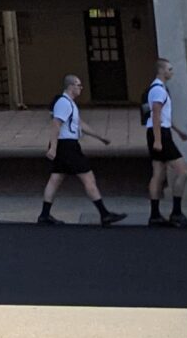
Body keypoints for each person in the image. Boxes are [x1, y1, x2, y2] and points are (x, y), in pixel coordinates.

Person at [38, 75, 126, 225]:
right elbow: (56, 125)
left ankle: (44, 215)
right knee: (88, 177)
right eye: (78, 85)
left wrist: (99, 137)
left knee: (56, 179)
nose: (81, 88)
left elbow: (80, 124)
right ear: (70, 86)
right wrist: (53, 147)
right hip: (67, 146)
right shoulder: (64, 103)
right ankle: (104, 214)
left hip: (66, 145)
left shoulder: (70, 104)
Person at [142, 59, 187, 228]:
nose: (172, 72)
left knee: (159, 172)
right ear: (161, 71)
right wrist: (158, 140)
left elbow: (163, 116)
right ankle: (176, 212)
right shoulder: (158, 90)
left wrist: (178, 131)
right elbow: (156, 115)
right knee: (183, 172)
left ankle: (155, 214)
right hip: (160, 134)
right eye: (169, 69)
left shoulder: (159, 89)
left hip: (159, 132)